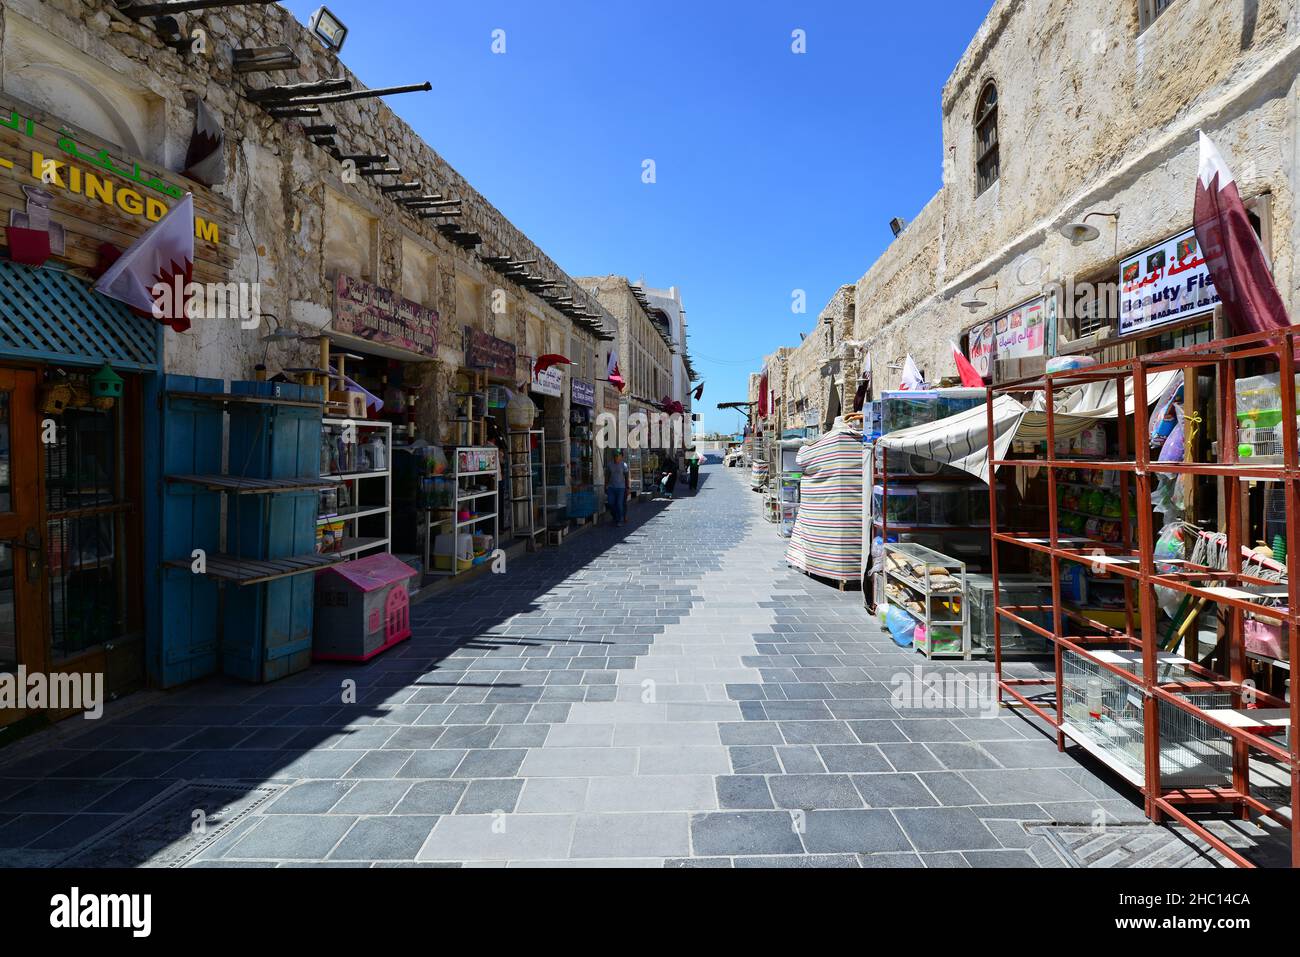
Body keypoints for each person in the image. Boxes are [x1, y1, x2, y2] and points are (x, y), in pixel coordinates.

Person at [607, 450, 629, 526]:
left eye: (618, 456)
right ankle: (615, 516)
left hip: (621, 488)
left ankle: (619, 520)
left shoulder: (624, 465)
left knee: (620, 504)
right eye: (615, 456)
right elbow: (607, 475)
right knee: (610, 503)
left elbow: (626, 477)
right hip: (611, 487)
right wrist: (605, 485)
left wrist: (627, 488)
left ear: (621, 457)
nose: (616, 457)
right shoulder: (609, 465)